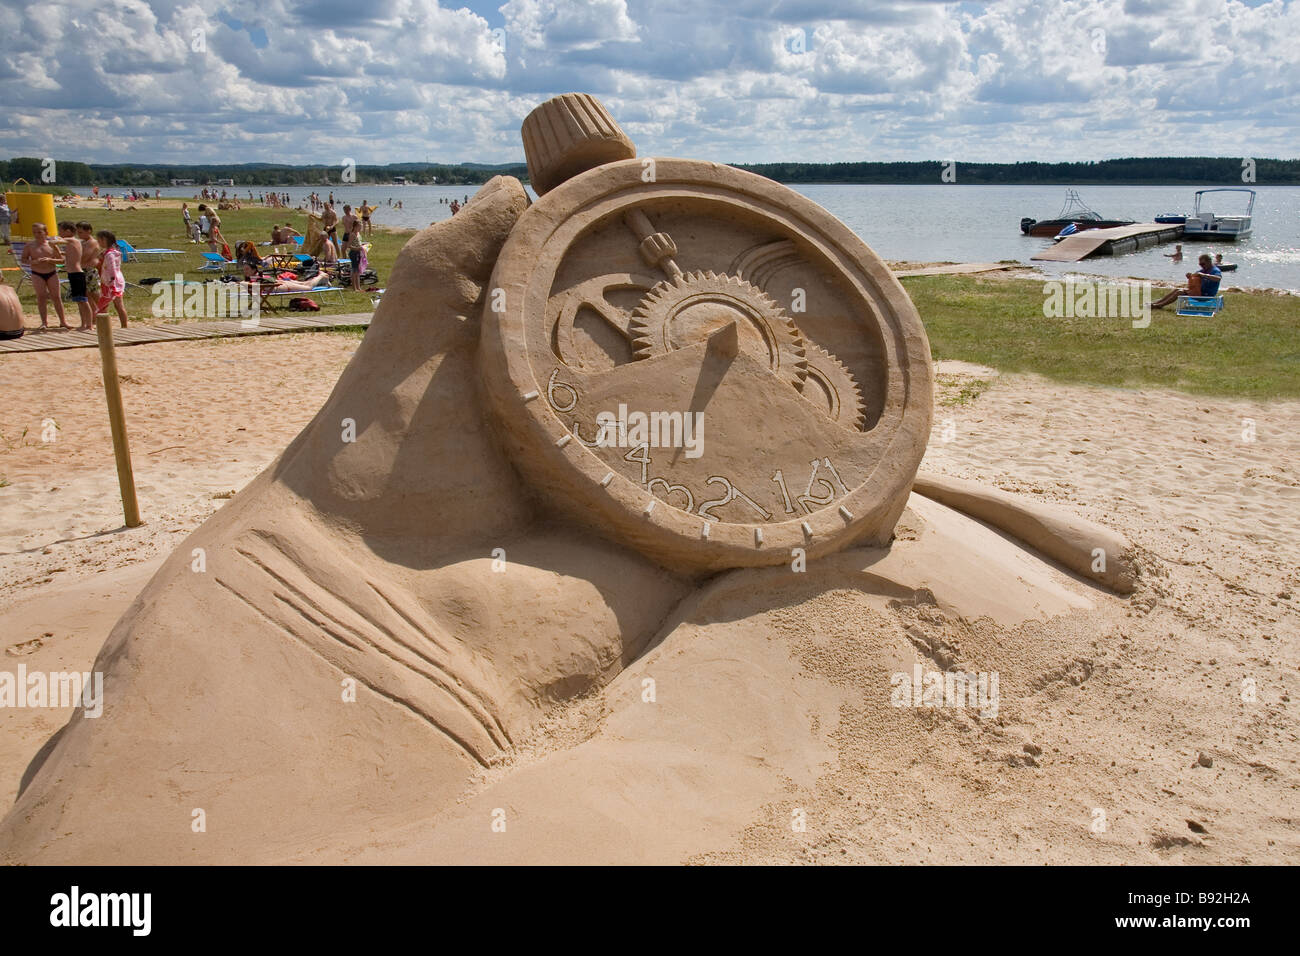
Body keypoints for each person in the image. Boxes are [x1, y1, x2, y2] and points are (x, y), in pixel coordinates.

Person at [20, 222, 69, 330]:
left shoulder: (51, 245)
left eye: (39, 232)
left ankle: (63, 321)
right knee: (41, 297)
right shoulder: (30, 245)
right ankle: (44, 322)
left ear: (46, 232)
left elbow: (61, 260)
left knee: (56, 297)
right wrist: (33, 262)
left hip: (51, 272)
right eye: (34, 232)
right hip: (37, 273)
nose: (37, 235)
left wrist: (50, 260)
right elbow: (23, 259)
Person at [53, 221, 93, 331]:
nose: (59, 233)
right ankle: (83, 323)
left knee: (83, 300)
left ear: (68, 231)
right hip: (72, 274)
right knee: (79, 301)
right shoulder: (71, 243)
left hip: (77, 274)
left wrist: (49, 240)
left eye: (60, 230)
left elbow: (53, 242)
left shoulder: (71, 240)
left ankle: (89, 325)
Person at [1152, 253, 1222, 310]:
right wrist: (1190, 276)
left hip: (1206, 295)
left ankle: (1159, 305)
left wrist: (1204, 275)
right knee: (1177, 290)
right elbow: (1195, 276)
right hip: (1198, 292)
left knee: (1180, 292)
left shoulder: (1215, 270)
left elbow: (1218, 278)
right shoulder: (1204, 270)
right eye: (1200, 264)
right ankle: (1157, 302)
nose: (1201, 266)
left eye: (1203, 264)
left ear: (1209, 261)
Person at [94, 230, 129, 328]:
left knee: (118, 305)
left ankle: (124, 326)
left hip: (113, 283)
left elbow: (112, 269)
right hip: (109, 281)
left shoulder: (110, 254)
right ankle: (106, 327)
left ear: (104, 240)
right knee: (107, 305)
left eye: (99, 240)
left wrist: (112, 282)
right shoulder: (110, 252)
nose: (98, 243)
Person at [341, 205, 363, 291]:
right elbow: (348, 246)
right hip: (354, 253)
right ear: (356, 226)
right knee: (354, 271)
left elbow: (358, 243)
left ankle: (358, 287)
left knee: (358, 271)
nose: (360, 228)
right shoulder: (352, 234)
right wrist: (357, 248)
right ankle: (355, 288)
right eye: (359, 227)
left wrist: (362, 246)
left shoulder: (357, 234)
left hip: (358, 252)